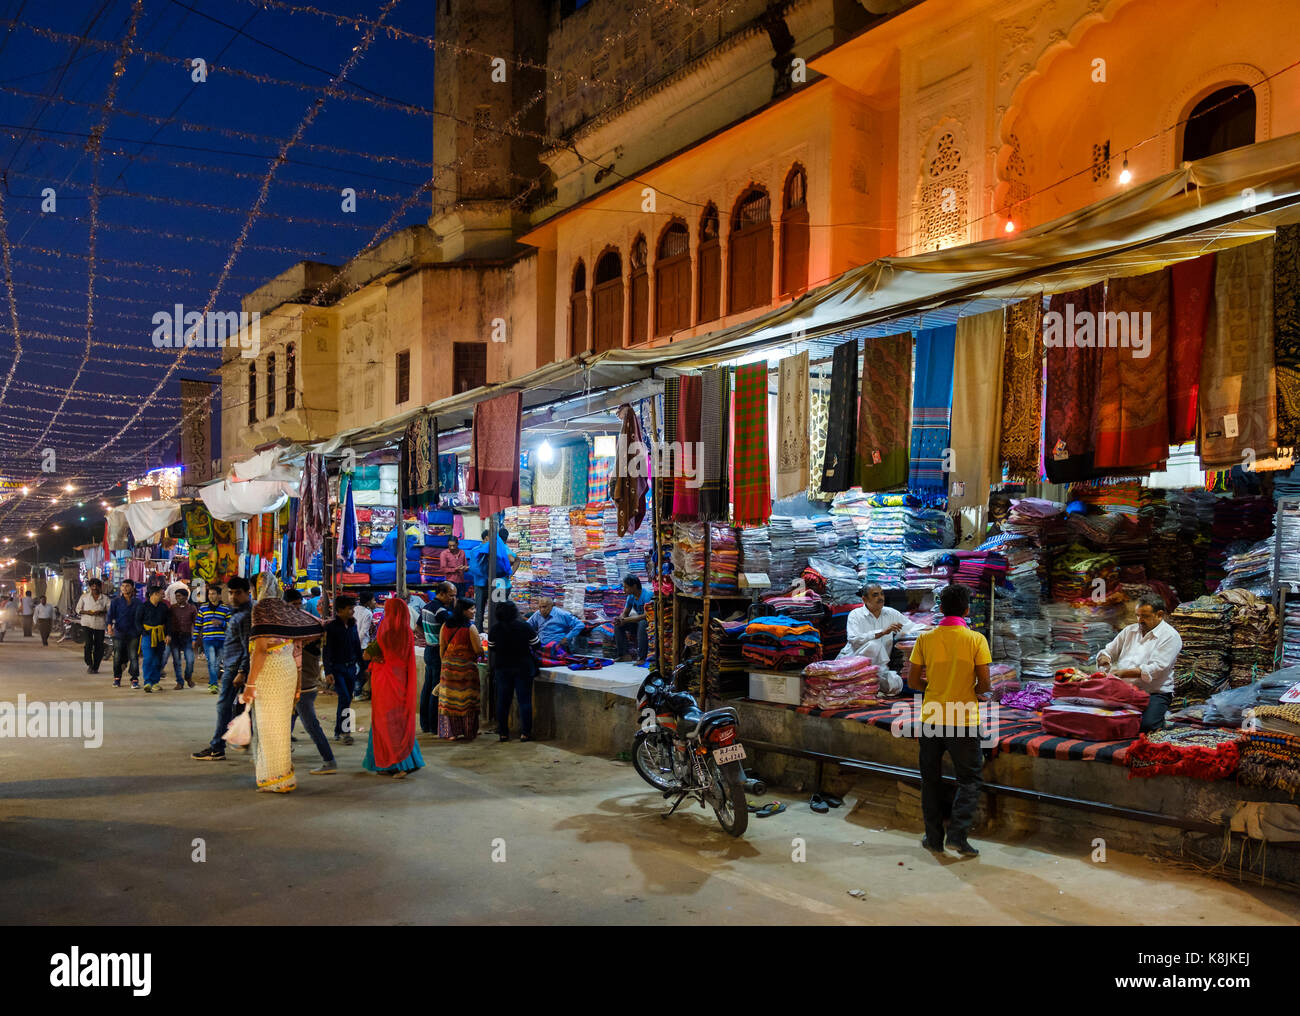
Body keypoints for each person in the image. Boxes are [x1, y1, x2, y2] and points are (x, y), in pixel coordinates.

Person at [907, 583, 991, 859]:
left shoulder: (925, 639)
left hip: (931, 718)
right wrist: (973, 692)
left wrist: (934, 690)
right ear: (967, 610)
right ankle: (957, 836)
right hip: (963, 721)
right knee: (969, 779)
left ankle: (933, 839)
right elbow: (984, 685)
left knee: (930, 780)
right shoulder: (976, 640)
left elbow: (912, 680)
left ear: (940, 608)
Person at [239, 596, 327, 793]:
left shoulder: (264, 627)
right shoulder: (287, 630)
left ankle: (276, 779)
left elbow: (260, 653)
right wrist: (296, 687)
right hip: (286, 675)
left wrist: (250, 684)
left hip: (270, 677)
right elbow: (297, 657)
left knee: (269, 728)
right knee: (280, 728)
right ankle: (281, 776)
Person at [1096, 593, 1183, 734]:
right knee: (1098, 717)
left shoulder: (1170, 636)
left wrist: (1122, 673)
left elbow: (1157, 668)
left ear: (1159, 615)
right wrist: (1105, 658)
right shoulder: (1129, 631)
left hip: (1154, 692)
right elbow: (1109, 651)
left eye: (1145, 616)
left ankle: (1161, 718)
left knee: (1147, 726)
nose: (1140, 620)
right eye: (1138, 615)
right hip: (1122, 688)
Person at [191, 577, 254, 761]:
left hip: (235, 668)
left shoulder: (245, 616)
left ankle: (217, 747)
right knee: (240, 706)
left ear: (247, 593)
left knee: (224, 706)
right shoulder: (236, 612)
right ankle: (239, 740)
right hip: (232, 665)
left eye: (238, 593)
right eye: (231, 593)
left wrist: (242, 672)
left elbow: (247, 646)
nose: (233, 596)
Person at [362, 596, 425, 778]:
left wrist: (376, 657)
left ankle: (397, 764)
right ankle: (408, 760)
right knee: (400, 720)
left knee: (385, 722)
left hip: (385, 683)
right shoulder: (407, 632)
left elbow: (366, 655)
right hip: (402, 682)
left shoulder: (385, 632)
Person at [284, 589, 338, 775]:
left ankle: (329, 760)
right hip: (298, 681)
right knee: (289, 718)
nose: (297, 608)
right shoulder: (300, 624)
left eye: (299, 604)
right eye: (294, 605)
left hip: (304, 683)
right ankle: (282, 753)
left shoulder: (305, 625)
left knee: (311, 725)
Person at [839, 583, 929, 693]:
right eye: (875, 595)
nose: (880, 598)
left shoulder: (891, 613)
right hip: (854, 664)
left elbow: (912, 627)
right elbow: (854, 639)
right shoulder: (855, 615)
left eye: (882, 594)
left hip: (880, 669)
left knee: (895, 684)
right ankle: (857, 683)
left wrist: (935, 628)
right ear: (864, 599)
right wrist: (882, 632)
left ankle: (873, 686)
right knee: (874, 645)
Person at [486, 600, 541, 742]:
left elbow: (491, 648)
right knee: (525, 701)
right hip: (523, 667)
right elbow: (536, 644)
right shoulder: (525, 627)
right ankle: (525, 733)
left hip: (503, 667)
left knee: (503, 701)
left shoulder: (495, 629)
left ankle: (503, 733)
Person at [438, 597, 483, 741]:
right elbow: (477, 649)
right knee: (467, 700)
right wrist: (483, 651)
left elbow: (442, 647)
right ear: (463, 611)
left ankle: (451, 733)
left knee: (449, 701)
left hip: (448, 668)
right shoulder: (470, 628)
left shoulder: (446, 625)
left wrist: (445, 663)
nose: (474, 611)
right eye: (471, 609)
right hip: (466, 670)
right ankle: (469, 732)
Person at [322, 594, 363, 745]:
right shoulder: (330, 628)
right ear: (340, 610)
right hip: (337, 668)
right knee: (345, 697)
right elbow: (326, 651)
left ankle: (339, 729)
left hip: (351, 668)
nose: (352, 611)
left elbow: (357, 646)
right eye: (350, 608)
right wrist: (328, 672)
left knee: (346, 699)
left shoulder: (353, 625)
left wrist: (362, 666)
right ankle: (346, 731)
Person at [419, 582, 456, 734]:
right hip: (437, 652)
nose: (453, 598)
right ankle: (434, 726)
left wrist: (429, 638)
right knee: (436, 690)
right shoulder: (441, 611)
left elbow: (418, 627)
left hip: (429, 649)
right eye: (451, 595)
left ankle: (425, 724)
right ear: (441, 593)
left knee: (428, 688)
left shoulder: (427, 607)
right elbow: (454, 626)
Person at [471, 525, 515, 624]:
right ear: (487, 538)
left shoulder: (497, 549)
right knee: (480, 611)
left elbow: (511, 561)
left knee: (496, 610)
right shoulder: (477, 550)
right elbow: (475, 568)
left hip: (494, 584)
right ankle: (479, 633)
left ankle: (495, 632)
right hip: (482, 585)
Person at [107, 579, 143, 689]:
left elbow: (141, 617)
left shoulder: (138, 602)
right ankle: (117, 678)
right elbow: (110, 616)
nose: (124, 588)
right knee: (117, 656)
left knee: (133, 656)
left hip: (134, 633)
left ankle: (134, 679)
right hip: (119, 632)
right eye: (123, 586)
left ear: (132, 588)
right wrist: (109, 627)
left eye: (127, 586)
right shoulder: (116, 601)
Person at [195, 586, 231, 693]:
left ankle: (213, 682)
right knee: (211, 662)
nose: (211, 596)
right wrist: (194, 638)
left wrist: (222, 623)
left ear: (219, 596)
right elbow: (198, 624)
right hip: (208, 640)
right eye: (209, 594)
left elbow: (231, 625)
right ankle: (214, 684)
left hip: (221, 640)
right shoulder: (203, 608)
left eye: (213, 594)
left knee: (217, 663)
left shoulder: (225, 609)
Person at [139, 585, 172, 692]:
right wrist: (143, 632)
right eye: (161, 593)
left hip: (160, 635)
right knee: (148, 658)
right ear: (154, 594)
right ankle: (147, 681)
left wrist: (168, 635)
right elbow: (137, 621)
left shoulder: (163, 607)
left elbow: (168, 622)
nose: (163, 595)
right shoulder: (143, 607)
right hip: (147, 635)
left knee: (158, 659)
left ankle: (155, 682)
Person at [167, 587, 199, 688]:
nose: (177, 598)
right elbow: (168, 622)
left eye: (179, 596)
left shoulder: (192, 608)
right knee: (177, 660)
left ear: (186, 597)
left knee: (190, 660)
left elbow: (196, 624)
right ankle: (179, 682)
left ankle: (188, 677)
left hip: (187, 636)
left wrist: (197, 638)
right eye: (176, 596)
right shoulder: (172, 608)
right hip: (175, 636)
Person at [76, 579, 110, 673]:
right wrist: (87, 612)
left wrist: (101, 612)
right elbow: (78, 609)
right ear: (90, 587)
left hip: (100, 624)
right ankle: (89, 663)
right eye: (93, 586)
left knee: (99, 646)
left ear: (100, 587)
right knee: (88, 644)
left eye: (96, 586)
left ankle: (96, 666)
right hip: (87, 623)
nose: (95, 588)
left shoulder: (105, 598)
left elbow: (110, 610)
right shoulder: (84, 597)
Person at [614, 574, 650, 662]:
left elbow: (646, 615)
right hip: (638, 621)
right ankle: (624, 655)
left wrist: (626, 620)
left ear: (634, 586)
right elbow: (625, 613)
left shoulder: (647, 595)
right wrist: (620, 619)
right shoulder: (631, 597)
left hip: (650, 622)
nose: (624, 590)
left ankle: (642, 657)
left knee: (642, 623)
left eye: (626, 587)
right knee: (618, 626)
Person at [353, 591, 376, 700]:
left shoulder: (355, 609)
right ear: (368, 602)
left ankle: (355, 691)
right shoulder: (368, 613)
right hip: (362, 645)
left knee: (357, 669)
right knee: (364, 670)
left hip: (354, 644)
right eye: (373, 600)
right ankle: (357, 693)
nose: (374, 602)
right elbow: (363, 632)